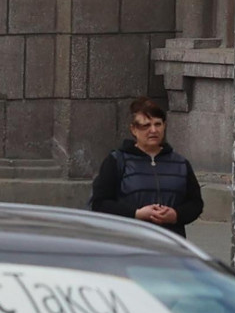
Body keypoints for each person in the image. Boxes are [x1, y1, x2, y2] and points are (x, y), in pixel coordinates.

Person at [87, 96, 203, 234]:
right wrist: (136, 214)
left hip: (171, 243)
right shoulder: (116, 161)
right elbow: (100, 204)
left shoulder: (180, 163)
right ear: (134, 130)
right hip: (129, 242)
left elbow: (195, 204)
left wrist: (176, 215)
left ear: (164, 125)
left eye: (158, 124)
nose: (153, 130)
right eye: (146, 126)